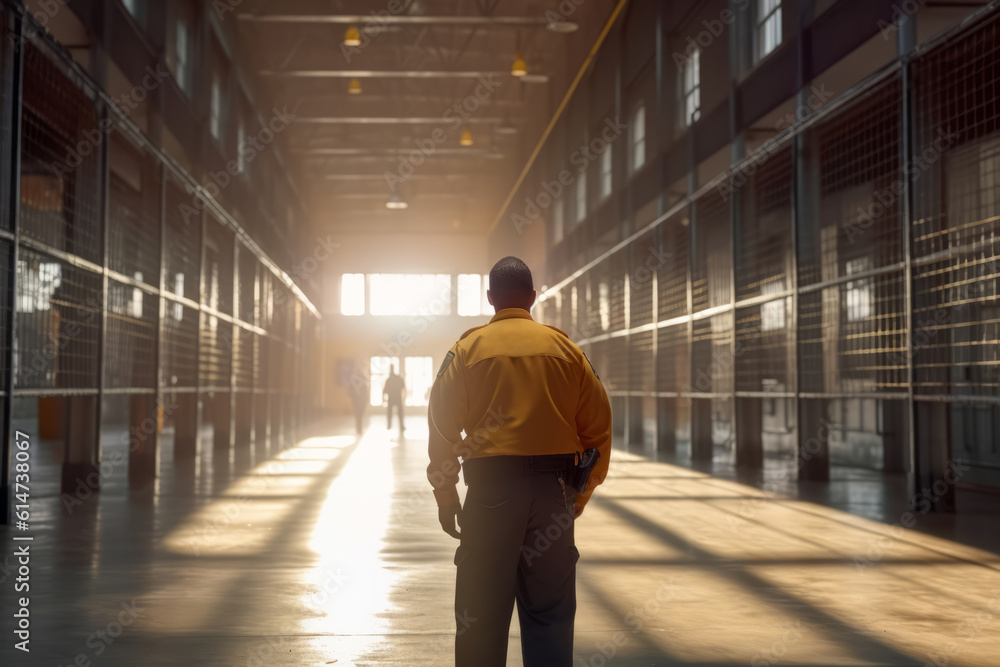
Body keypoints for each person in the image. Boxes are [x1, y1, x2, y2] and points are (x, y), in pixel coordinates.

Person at [426, 256, 612, 667]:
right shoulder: (568, 352)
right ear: (533, 296)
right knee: (550, 616)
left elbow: (441, 430)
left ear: (490, 297)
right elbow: (598, 432)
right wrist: (576, 498)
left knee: (480, 615)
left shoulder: (466, 351)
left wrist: (446, 495)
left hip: (490, 492)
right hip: (554, 492)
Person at [382, 365, 405, 432]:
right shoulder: (397, 379)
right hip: (396, 398)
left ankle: (391, 425)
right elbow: (403, 387)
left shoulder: (389, 379)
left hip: (393, 398)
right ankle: (399, 425)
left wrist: (383, 399)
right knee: (398, 412)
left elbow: (384, 390)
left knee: (393, 412)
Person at [348, 365, 369, 435]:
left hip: (356, 401)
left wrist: (353, 397)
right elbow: (365, 391)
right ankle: (359, 428)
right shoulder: (362, 380)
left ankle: (358, 428)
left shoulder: (353, 380)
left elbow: (349, 392)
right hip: (361, 401)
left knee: (358, 415)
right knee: (360, 415)